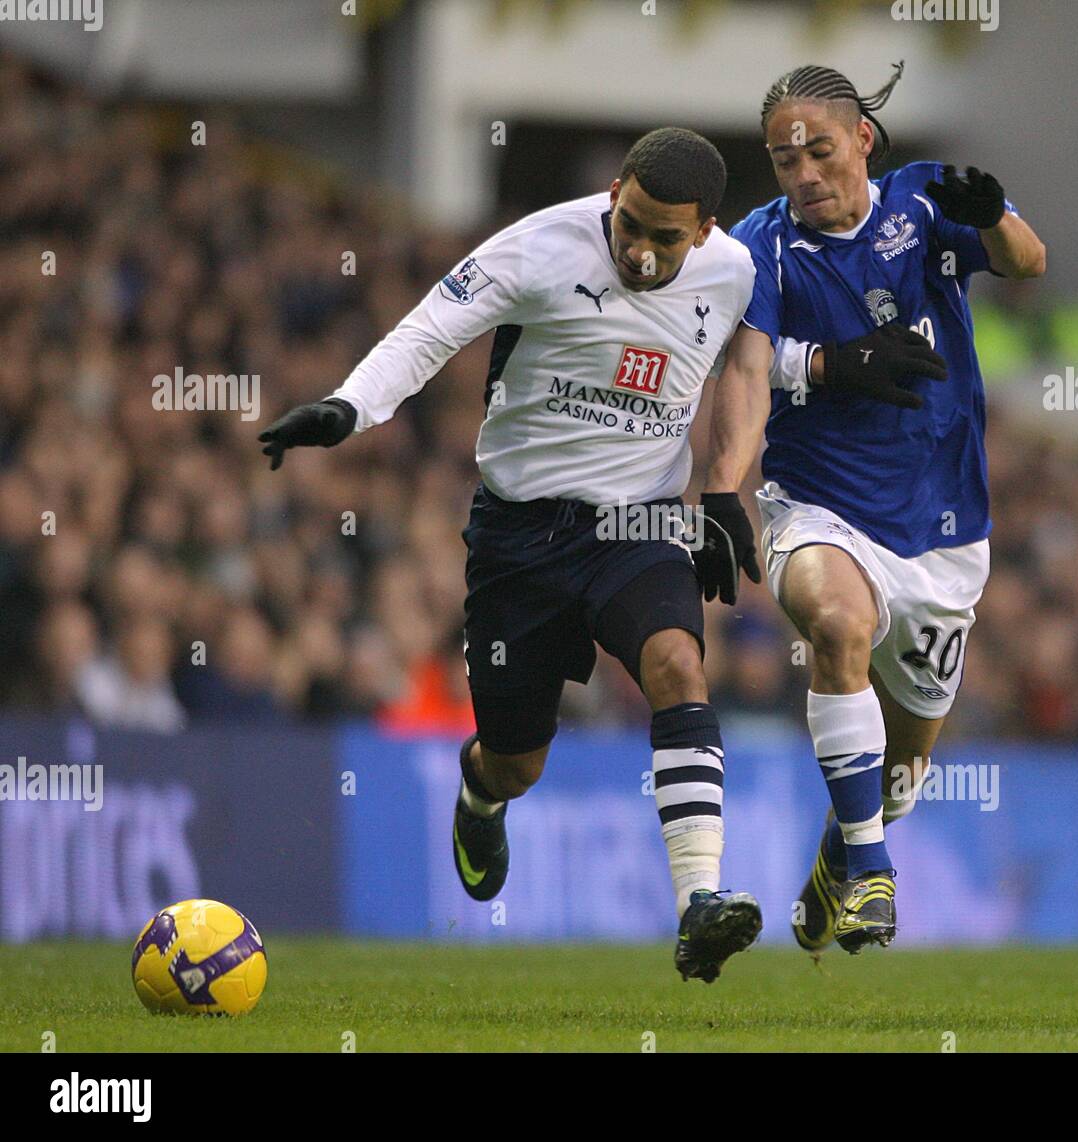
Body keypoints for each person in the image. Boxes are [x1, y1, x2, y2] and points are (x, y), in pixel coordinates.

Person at [259, 128, 765, 982]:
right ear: (613, 191)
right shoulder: (539, 247)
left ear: (708, 231)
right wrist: (351, 407)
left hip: (638, 525)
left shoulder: (737, 273)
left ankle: (699, 906)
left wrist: (725, 489)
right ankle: (480, 792)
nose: (640, 251)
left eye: (664, 238)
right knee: (517, 760)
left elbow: (761, 365)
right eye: (630, 224)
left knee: (679, 664)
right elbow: (430, 329)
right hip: (520, 536)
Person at [704, 64, 1046, 953]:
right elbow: (741, 365)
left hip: (943, 526)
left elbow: (1030, 265)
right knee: (834, 622)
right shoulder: (761, 249)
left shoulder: (926, 202)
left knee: (903, 768)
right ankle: (872, 873)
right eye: (785, 162)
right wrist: (728, 483)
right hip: (819, 503)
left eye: (819, 150)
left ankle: (845, 845)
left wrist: (995, 217)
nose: (805, 174)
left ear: (862, 138)